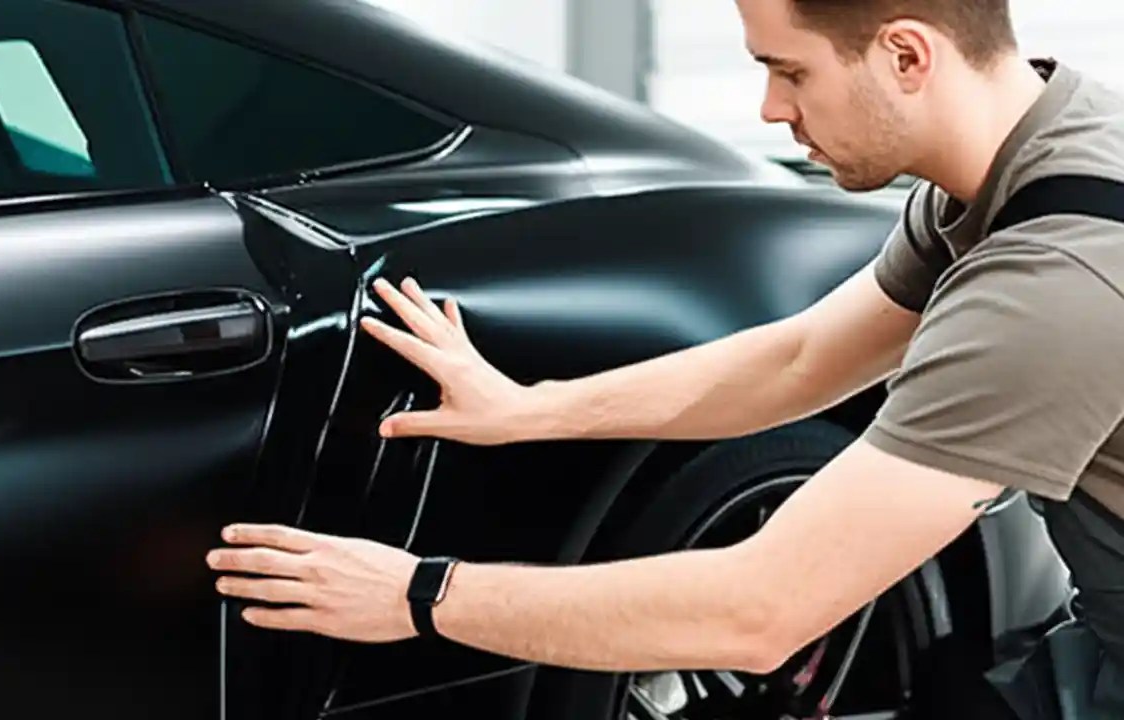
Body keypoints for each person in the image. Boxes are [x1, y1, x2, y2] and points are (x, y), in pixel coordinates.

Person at [205, 1, 1124, 717]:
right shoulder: (1033, 146)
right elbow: (800, 360)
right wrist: (529, 408)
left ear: (908, 56)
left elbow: (761, 612)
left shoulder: (1054, 279)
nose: (771, 109)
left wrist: (416, 596)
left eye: (789, 70)